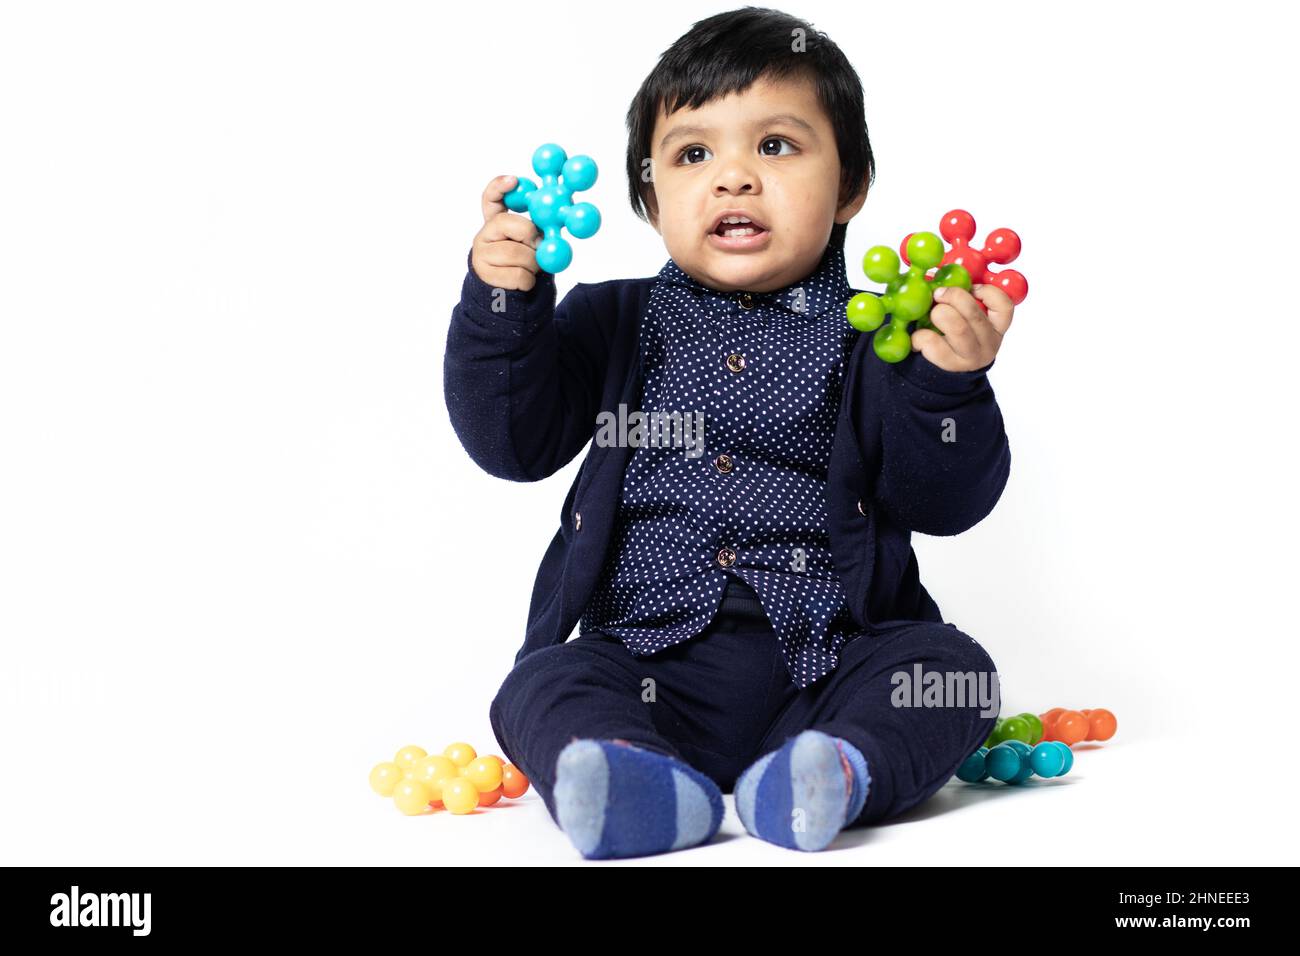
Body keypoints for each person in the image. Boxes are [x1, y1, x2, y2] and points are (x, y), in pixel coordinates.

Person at [445, 6, 1014, 858]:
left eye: (776, 147)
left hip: (830, 672)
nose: (734, 179)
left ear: (852, 184)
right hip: (642, 669)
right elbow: (509, 443)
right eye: (694, 154)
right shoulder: (614, 321)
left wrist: (947, 386)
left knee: (954, 674)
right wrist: (505, 305)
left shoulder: (881, 343)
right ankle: (633, 779)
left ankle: (834, 773)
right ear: (650, 197)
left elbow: (945, 501)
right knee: (539, 683)